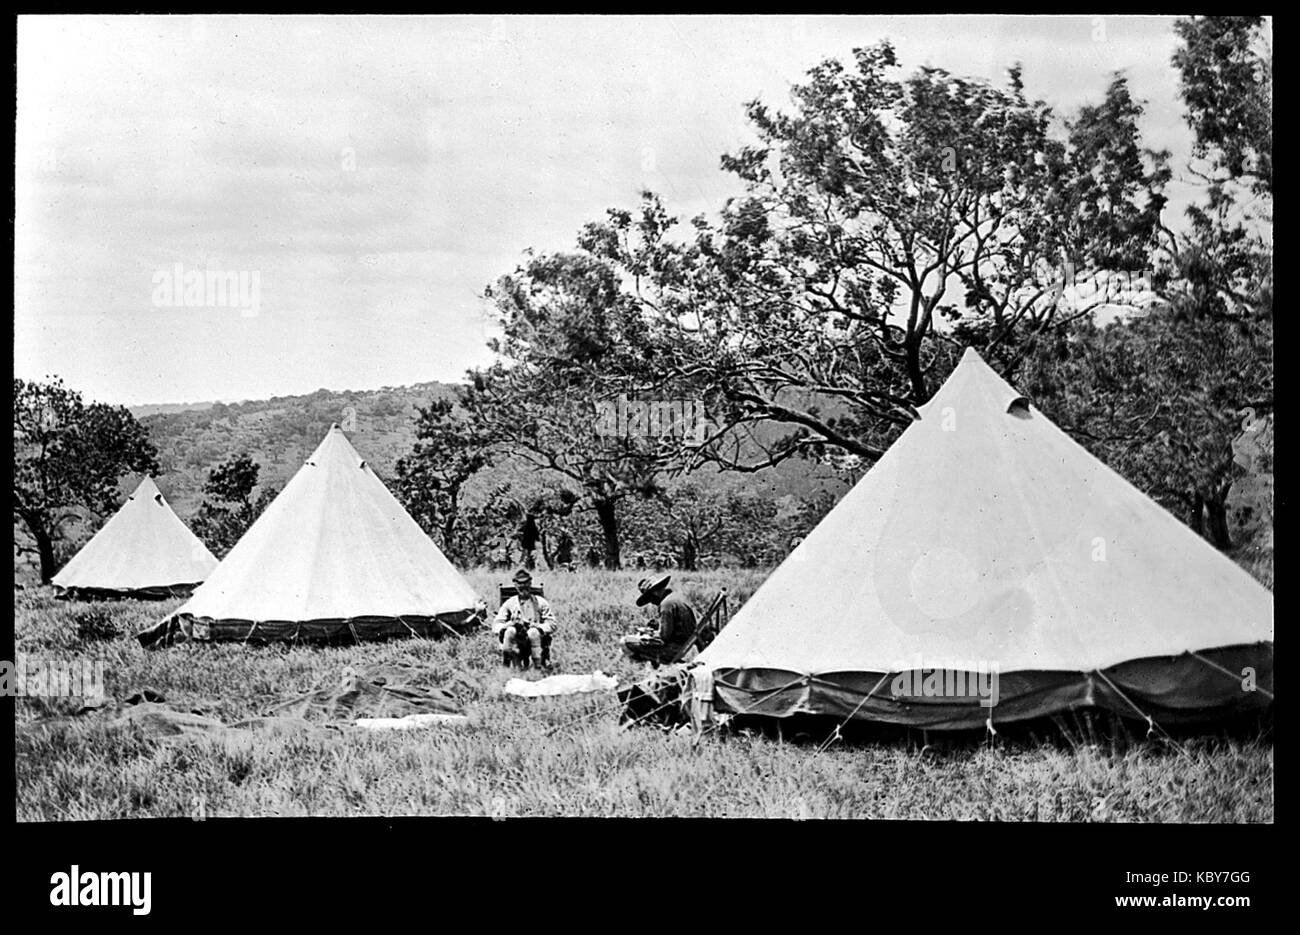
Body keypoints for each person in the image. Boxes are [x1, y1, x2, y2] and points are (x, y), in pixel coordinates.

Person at [620, 574, 697, 666]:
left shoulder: (666, 605)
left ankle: (640, 669)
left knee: (625, 642)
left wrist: (649, 635)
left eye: (650, 598)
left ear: (655, 592)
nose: (652, 602)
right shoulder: (677, 598)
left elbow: (663, 638)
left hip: (674, 650)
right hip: (686, 645)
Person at [493, 569, 557, 668]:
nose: (523, 587)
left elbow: (552, 624)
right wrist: (509, 624)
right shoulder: (510, 603)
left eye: (526, 583)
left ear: (530, 583)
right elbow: (496, 625)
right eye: (520, 584)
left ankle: (537, 667)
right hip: (516, 639)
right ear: (515, 585)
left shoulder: (540, 602)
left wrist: (538, 626)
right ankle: (508, 666)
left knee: (533, 633)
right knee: (510, 631)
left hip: (535, 638)